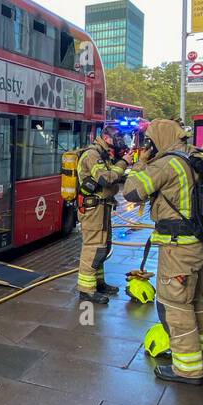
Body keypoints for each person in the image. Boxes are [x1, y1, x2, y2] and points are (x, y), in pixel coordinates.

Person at [121, 118, 203, 385]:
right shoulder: (192, 158)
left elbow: (131, 191)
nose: (148, 146)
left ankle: (187, 369)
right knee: (193, 302)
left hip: (179, 249)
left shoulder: (168, 164)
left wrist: (141, 162)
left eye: (150, 141)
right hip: (198, 245)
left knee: (175, 306)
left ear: (160, 138)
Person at [75, 124, 130, 303]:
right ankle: (86, 290)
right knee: (93, 247)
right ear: (106, 138)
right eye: (117, 138)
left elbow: (113, 176)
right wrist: (124, 162)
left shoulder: (103, 154)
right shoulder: (93, 155)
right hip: (93, 209)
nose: (120, 141)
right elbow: (106, 178)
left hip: (102, 207)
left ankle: (98, 283)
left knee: (103, 247)